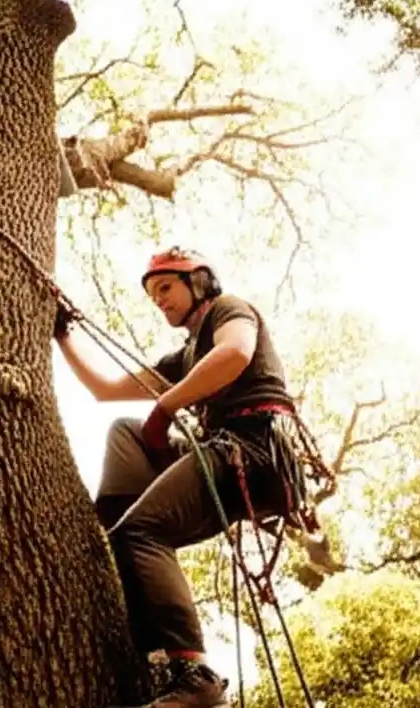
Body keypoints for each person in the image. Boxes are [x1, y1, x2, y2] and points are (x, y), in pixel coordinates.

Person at [53, 247, 332, 708]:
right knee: (127, 432)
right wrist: (63, 334)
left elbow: (237, 353)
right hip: (227, 450)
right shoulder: (185, 356)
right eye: (152, 294)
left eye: (166, 287)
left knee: (144, 530)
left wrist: (167, 406)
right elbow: (106, 390)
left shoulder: (229, 310)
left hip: (255, 449)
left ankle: (196, 677)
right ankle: (118, 533)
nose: (158, 299)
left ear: (199, 282)